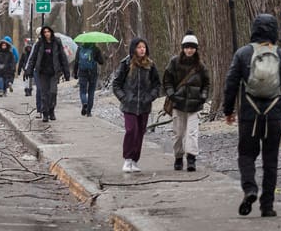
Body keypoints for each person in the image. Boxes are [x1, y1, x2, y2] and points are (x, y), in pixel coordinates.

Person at [223, 13, 281, 218]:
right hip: (274, 115)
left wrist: (228, 111)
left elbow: (230, 84)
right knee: (270, 161)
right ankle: (267, 206)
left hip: (249, 114)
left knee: (246, 155)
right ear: (274, 32)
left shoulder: (243, 54)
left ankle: (250, 189)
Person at [163, 32, 211, 171]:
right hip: (178, 104)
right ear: (183, 48)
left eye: (192, 47)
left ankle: (191, 159)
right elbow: (167, 81)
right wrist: (172, 95)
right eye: (187, 47)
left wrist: (203, 96)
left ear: (196, 49)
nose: (189, 50)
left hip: (195, 105)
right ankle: (178, 157)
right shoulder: (174, 62)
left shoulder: (200, 66)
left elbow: (206, 83)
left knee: (192, 133)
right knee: (178, 133)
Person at [112, 36, 160, 173]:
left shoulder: (150, 65)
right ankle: (127, 159)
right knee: (131, 130)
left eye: (144, 47)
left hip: (144, 105)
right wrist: (123, 98)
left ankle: (135, 160)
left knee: (140, 133)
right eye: (139, 47)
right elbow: (116, 84)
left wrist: (151, 97)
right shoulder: (126, 64)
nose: (142, 49)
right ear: (134, 49)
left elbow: (157, 84)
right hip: (129, 105)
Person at [23, 26, 70, 122]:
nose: (47, 33)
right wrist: (29, 70)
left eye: (48, 31)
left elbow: (63, 57)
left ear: (51, 32)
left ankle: (51, 110)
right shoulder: (39, 44)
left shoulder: (57, 42)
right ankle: (45, 113)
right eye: (45, 32)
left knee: (53, 92)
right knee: (44, 94)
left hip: (54, 72)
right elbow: (33, 58)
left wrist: (66, 72)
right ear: (42, 34)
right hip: (42, 72)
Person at [73, 40, 105, 116]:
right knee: (91, 92)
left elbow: (76, 61)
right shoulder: (96, 49)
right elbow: (101, 62)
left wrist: (75, 73)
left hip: (82, 72)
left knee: (82, 91)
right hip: (93, 73)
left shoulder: (80, 49)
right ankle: (89, 112)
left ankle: (84, 103)